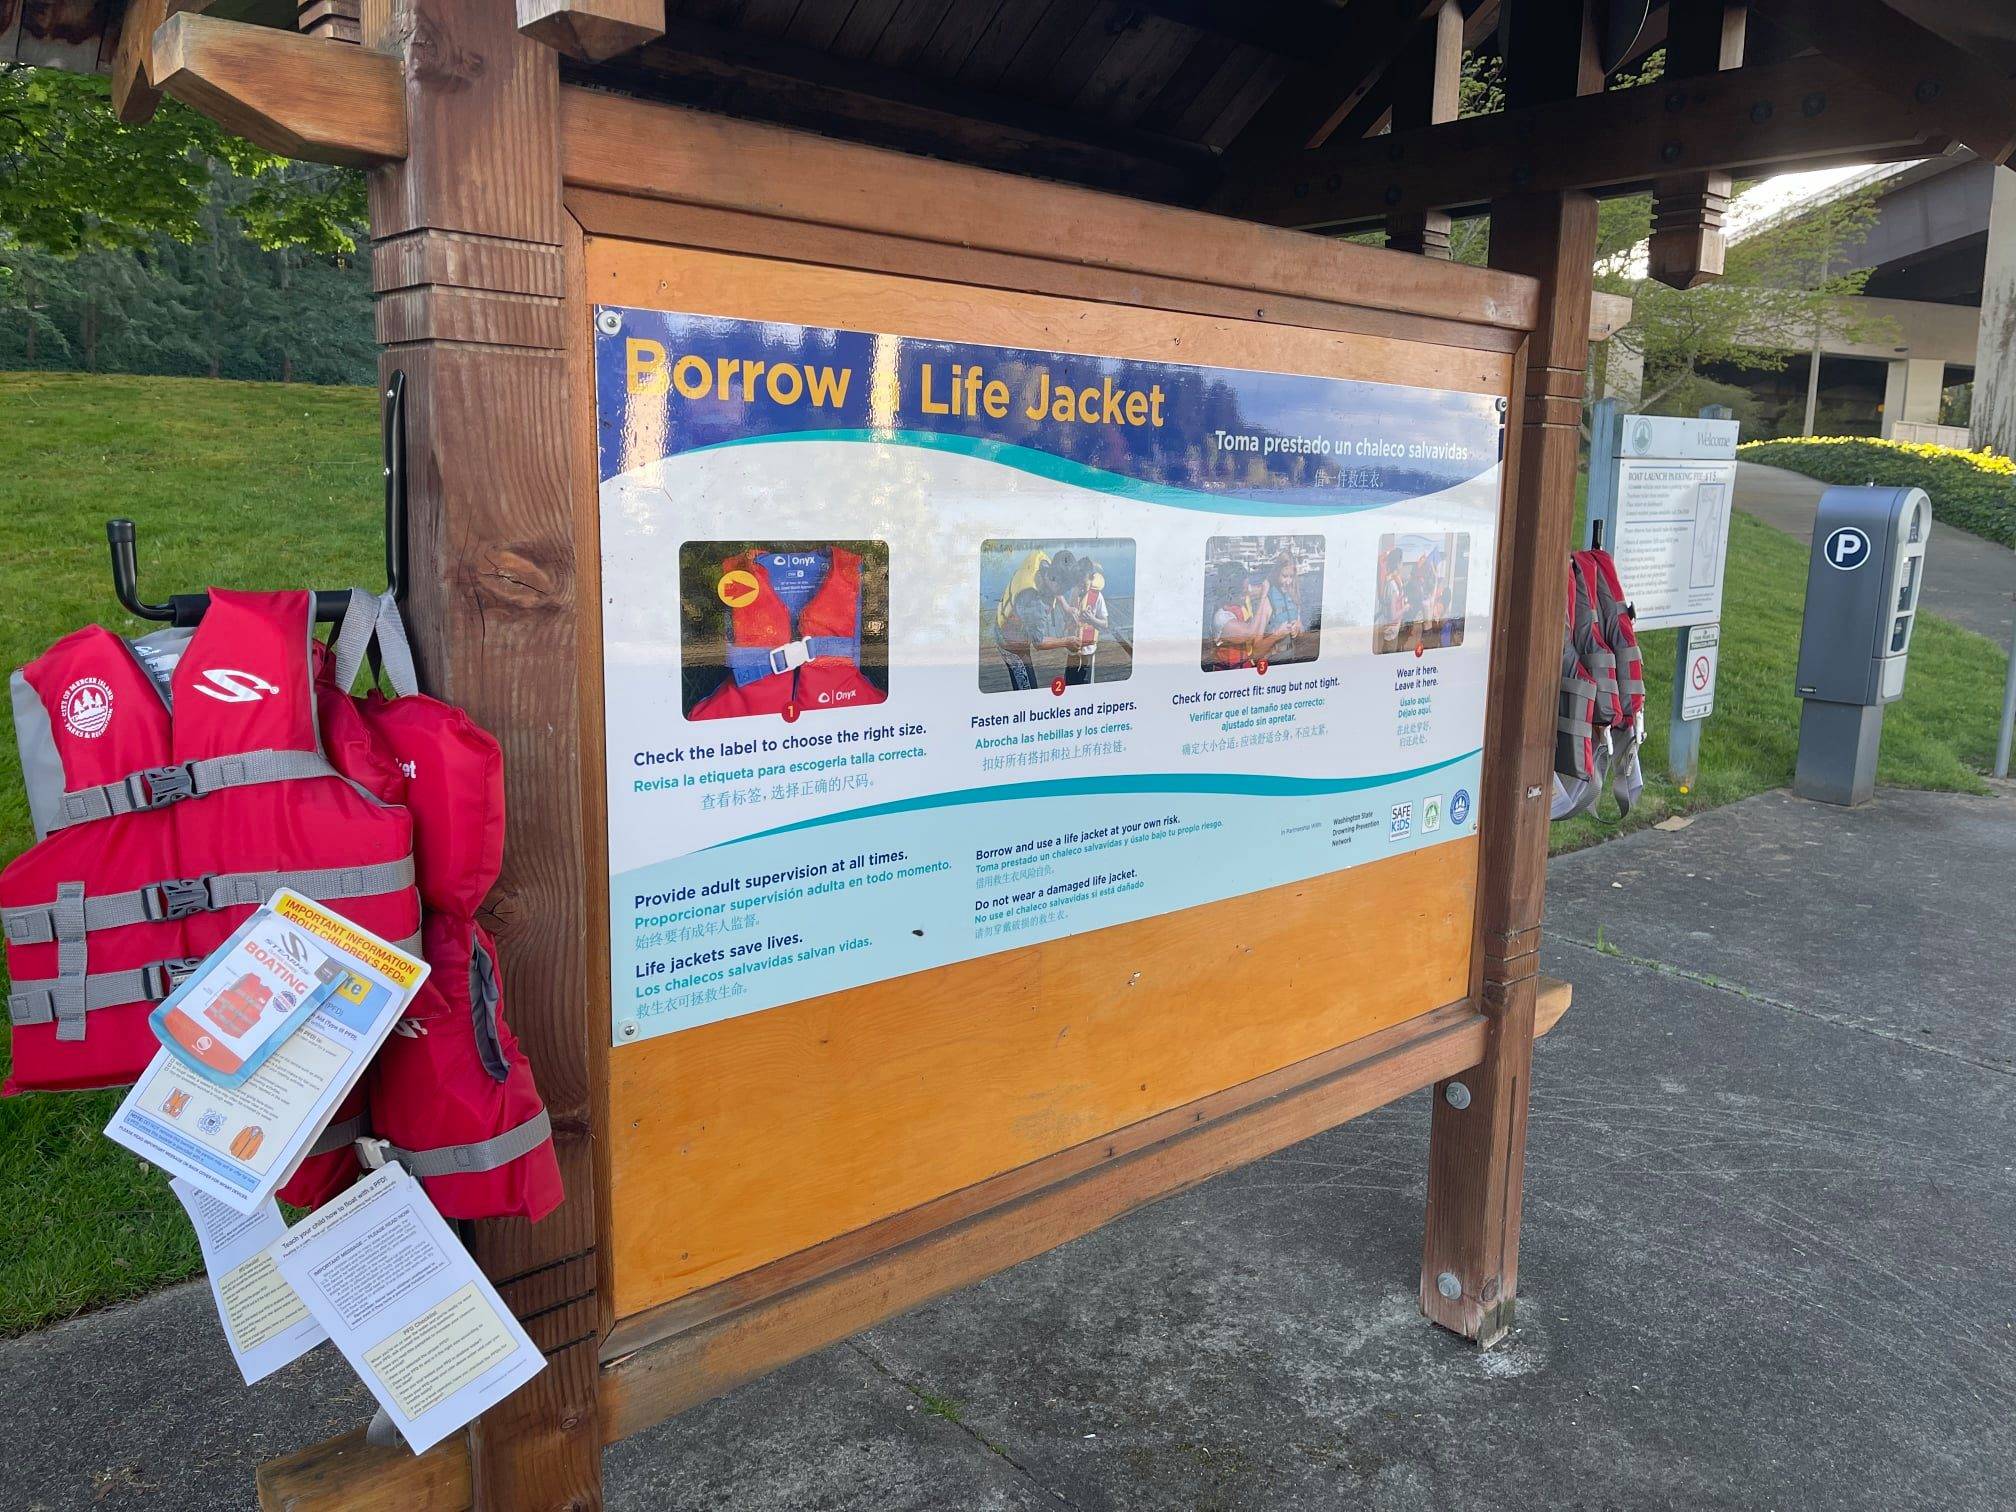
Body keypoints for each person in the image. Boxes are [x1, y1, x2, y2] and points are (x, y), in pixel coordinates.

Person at [1208, 562, 1273, 669]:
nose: (1247, 593)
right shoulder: (1221, 617)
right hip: (1230, 674)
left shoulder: (1239, 596)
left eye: (1247, 588)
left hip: (1245, 668)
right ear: (1230, 592)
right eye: (1243, 592)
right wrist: (1262, 599)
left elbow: (1261, 588)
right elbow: (1250, 632)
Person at [1265, 552, 1305, 661]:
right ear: (1277, 573)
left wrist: (1299, 626)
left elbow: (1302, 630)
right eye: (1284, 576)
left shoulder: (1294, 596)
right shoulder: (1268, 598)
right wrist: (1277, 634)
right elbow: (1258, 641)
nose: (1288, 582)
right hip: (1273, 658)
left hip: (1291, 655)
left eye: (1291, 577)